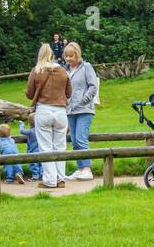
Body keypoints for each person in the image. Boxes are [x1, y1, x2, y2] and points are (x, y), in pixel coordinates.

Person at [25, 43, 71, 189]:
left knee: (45, 147)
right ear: (52, 56)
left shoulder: (36, 71)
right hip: (61, 111)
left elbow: (29, 94)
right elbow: (69, 93)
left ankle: (50, 180)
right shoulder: (63, 71)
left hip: (44, 110)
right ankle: (60, 178)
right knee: (60, 146)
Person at [62, 41, 99, 182]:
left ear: (77, 54)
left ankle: (87, 169)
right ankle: (80, 168)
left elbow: (93, 86)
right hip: (70, 110)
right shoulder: (65, 70)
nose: (69, 59)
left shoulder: (86, 67)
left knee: (81, 138)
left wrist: (83, 100)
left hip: (84, 109)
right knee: (74, 140)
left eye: (71, 56)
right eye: (66, 56)